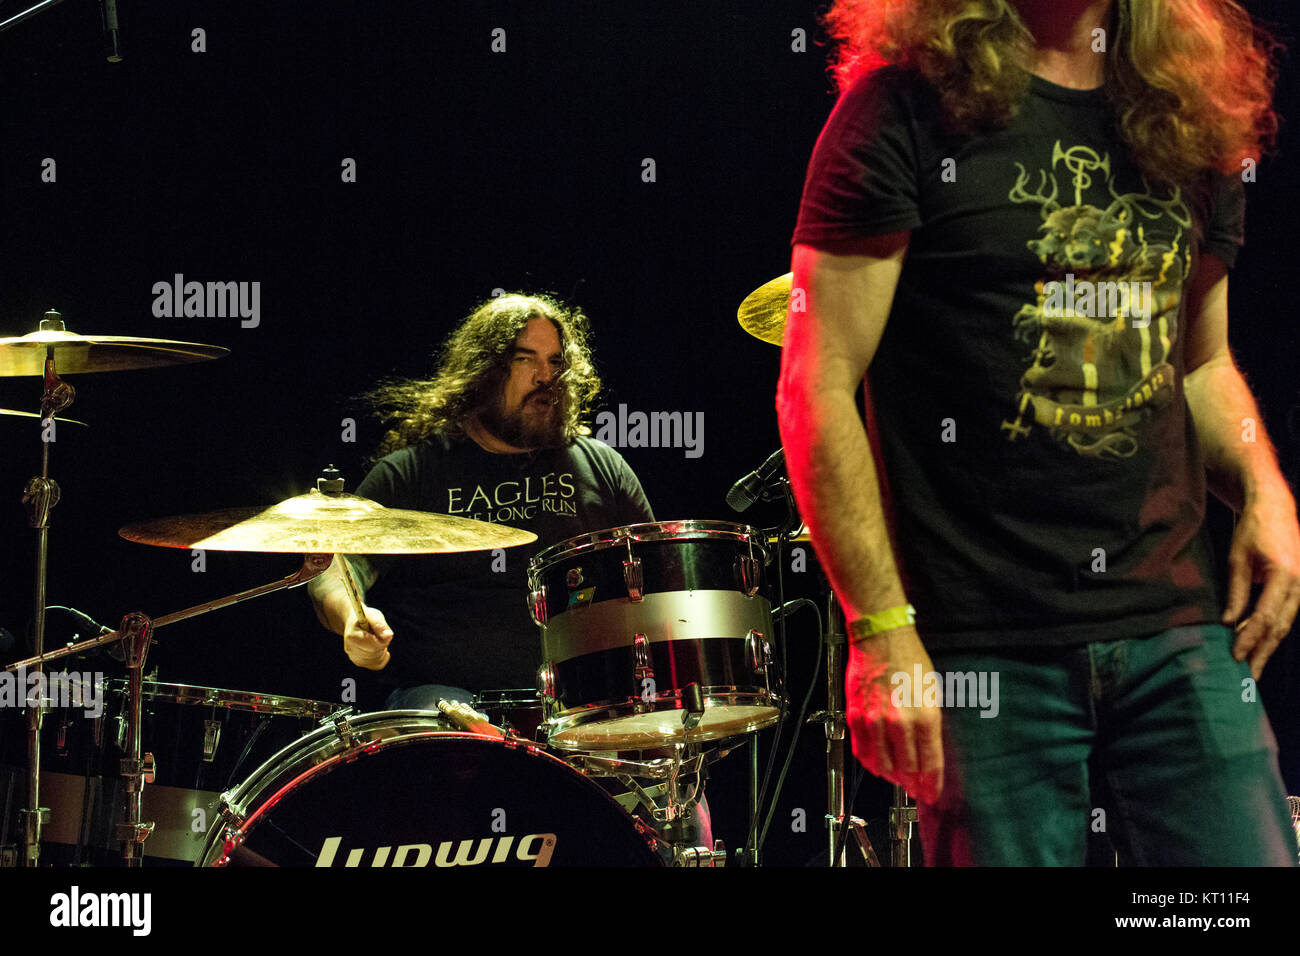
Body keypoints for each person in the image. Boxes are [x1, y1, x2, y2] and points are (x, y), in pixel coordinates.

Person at [777, 0, 1299, 865]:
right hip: (987, 645)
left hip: (1174, 623)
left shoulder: (1187, 110)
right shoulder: (901, 109)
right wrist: (879, 631)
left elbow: (1201, 364)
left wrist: (1265, 491)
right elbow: (816, 386)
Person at [309, 292, 653, 710]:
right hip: (442, 698)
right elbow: (335, 568)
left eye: (556, 361)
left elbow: (655, 574)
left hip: (578, 700)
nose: (547, 376)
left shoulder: (601, 467)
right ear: (484, 371)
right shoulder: (415, 472)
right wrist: (353, 619)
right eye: (525, 358)